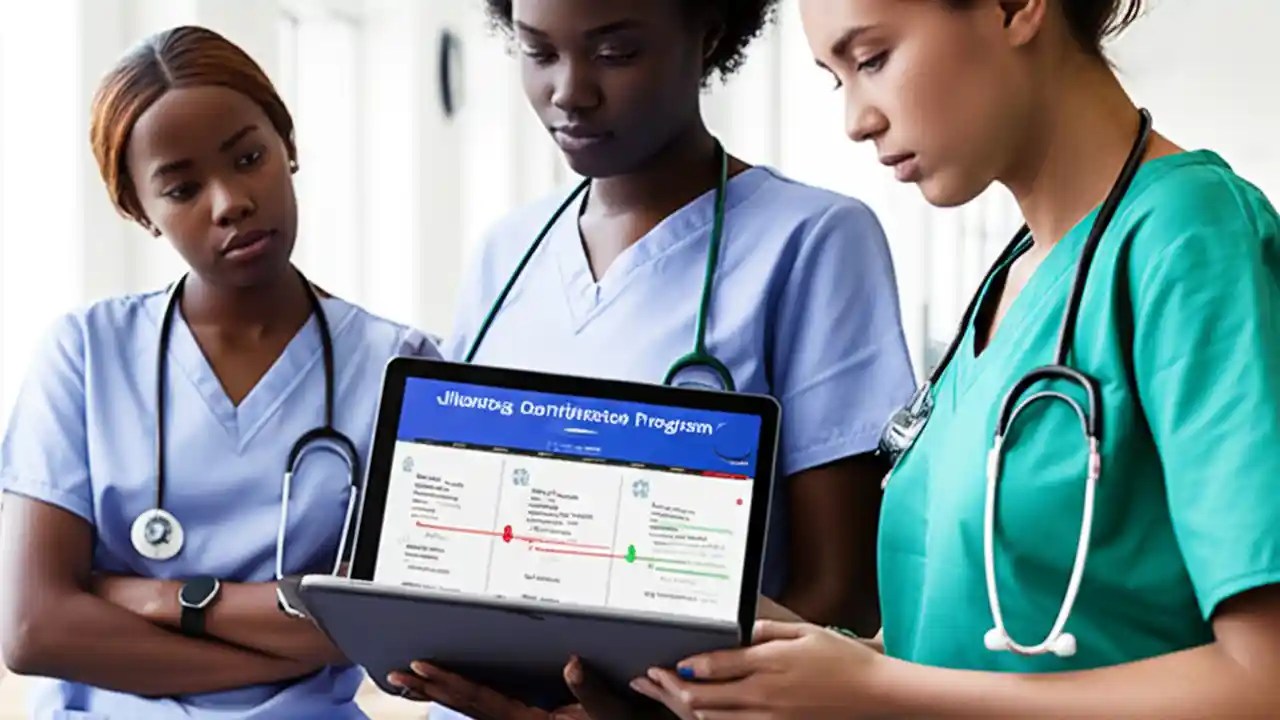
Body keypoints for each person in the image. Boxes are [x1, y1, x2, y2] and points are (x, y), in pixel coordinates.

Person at [599, 0, 1280, 717]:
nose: (857, 119)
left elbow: (1263, 682)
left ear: (1016, 8)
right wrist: (747, 650)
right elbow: (951, 656)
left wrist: (876, 688)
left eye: (872, 60)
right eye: (839, 80)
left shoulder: (1194, 243)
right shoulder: (1015, 276)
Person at [388, 0, 917, 717]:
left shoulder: (814, 240)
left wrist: (648, 703)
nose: (569, 92)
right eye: (539, 52)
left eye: (615, 54)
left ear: (711, 33)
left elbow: (843, 591)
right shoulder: (505, 254)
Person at [0, 26, 439, 718]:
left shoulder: (401, 368)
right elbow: (33, 630)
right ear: (138, 210)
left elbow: (395, 629)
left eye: (249, 157)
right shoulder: (83, 354)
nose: (229, 201)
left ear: (288, 147)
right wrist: (303, 632)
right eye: (180, 188)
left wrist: (153, 597)